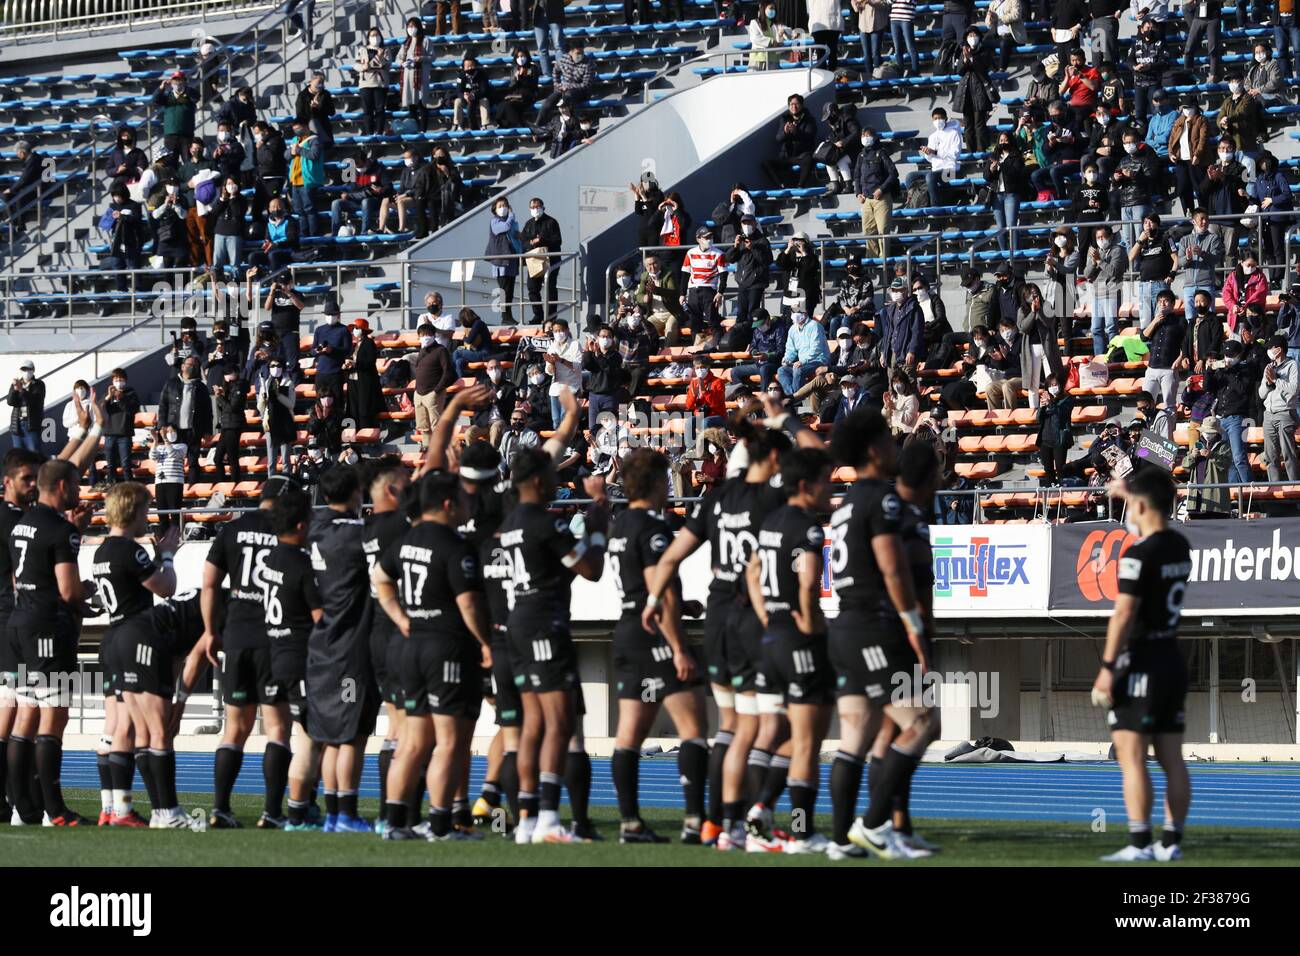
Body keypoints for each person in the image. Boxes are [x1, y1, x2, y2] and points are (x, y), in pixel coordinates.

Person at [825, 411, 936, 860]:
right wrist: (914, 626)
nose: (895, 448)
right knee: (923, 722)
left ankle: (839, 840)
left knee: (855, 737)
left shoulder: (846, 502)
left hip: (845, 625)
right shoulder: (882, 499)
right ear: (874, 451)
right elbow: (892, 568)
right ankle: (873, 824)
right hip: (874, 624)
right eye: (888, 442)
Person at [496, 447, 608, 843]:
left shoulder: (511, 522)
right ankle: (547, 818)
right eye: (551, 475)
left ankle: (528, 820)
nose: (556, 482)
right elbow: (592, 569)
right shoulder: (545, 522)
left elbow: (553, 572)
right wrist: (598, 518)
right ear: (537, 481)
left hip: (518, 625)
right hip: (545, 625)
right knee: (560, 723)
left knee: (532, 725)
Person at [373, 469, 491, 842]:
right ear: (448, 504)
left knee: (412, 742)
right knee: (449, 742)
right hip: (446, 647)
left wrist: (401, 618)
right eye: (463, 499)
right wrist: (485, 642)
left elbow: (379, 577)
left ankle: (395, 823)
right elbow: (468, 604)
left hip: (409, 648)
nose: (468, 504)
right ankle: (441, 824)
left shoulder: (406, 540)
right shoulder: (456, 546)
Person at [606, 448, 708, 843]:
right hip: (656, 635)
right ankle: (695, 822)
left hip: (627, 630)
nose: (668, 486)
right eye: (664, 479)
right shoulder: (653, 527)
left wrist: (683, 603)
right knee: (693, 728)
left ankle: (630, 822)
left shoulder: (619, 524)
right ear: (651, 483)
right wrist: (679, 647)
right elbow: (657, 589)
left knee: (629, 734)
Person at [1092, 469, 1192, 862]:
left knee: (1132, 757)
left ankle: (1138, 844)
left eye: (1131, 504)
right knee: (1172, 759)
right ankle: (1171, 842)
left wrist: (1107, 667)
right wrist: (1129, 490)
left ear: (1143, 506)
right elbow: (1152, 516)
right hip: (1172, 658)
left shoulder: (1138, 554)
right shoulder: (1180, 546)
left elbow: (1123, 614)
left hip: (1141, 661)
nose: (1128, 512)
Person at [741, 446, 835, 852]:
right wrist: (811, 625)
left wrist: (767, 614)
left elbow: (753, 572)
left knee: (778, 733)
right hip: (799, 640)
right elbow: (808, 582)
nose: (830, 488)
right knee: (806, 742)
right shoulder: (808, 528)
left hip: (771, 638)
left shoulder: (770, 522)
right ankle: (801, 831)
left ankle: (758, 809)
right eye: (825, 481)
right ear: (805, 485)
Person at [198, 476, 298, 828]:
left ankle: (220, 809)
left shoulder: (232, 529)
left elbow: (209, 583)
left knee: (234, 729)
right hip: (275, 636)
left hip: (237, 635)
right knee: (278, 728)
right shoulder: (288, 531)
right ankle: (271, 812)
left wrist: (210, 630)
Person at [7, 459, 93, 825]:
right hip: (47, 630)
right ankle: (54, 811)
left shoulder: (22, 523)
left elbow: (17, 579)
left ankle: (22, 808)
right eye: (76, 484)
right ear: (61, 486)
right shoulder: (61, 530)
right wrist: (88, 597)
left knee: (25, 716)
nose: (79, 490)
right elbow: (69, 591)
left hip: (19, 623)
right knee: (54, 716)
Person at [91, 483, 180, 827]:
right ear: (132, 510)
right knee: (131, 727)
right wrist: (168, 555)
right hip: (135, 638)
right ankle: (124, 810)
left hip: (111, 637)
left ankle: (110, 808)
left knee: (112, 727)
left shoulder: (101, 551)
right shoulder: (130, 550)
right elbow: (166, 588)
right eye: (145, 509)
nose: (148, 516)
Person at [1205, 340, 1260, 486]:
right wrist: (1209, 370)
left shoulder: (1246, 368)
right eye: (1226, 355)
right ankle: (1233, 492)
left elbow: (1243, 389)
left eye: (1231, 355)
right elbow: (1208, 388)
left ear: (1238, 355)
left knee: (1239, 458)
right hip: (1220, 418)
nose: (1227, 358)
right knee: (1227, 458)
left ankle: (1250, 490)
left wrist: (1229, 371)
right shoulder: (1221, 370)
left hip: (1237, 418)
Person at [156, 355, 211, 484]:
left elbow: (207, 411)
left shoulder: (201, 387)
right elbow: (163, 406)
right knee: (174, 461)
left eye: (194, 365)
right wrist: (163, 425)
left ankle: (192, 486)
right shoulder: (171, 383)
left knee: (193, 461)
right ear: (182, 366)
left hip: (194, 430)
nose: (192, 367)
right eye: (189, 364)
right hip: (174, 430)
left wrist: (207, 430)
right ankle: (176, 485)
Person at [854, 127, 898, 260]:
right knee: (868, 232)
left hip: (881, 198)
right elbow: (857, 176)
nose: (865, 138)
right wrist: (858, 193)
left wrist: (881, 189)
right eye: (863, 135)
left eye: (867, 135)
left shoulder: (881, 153)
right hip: (866, 199)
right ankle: (872, 260)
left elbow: (893, 173)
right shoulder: (861, 155)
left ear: (874, 137)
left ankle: (883, 260)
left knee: (883, 230)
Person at [1080, 225, 1124, 356]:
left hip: (1111, 292)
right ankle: (1099, 357)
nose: (1100, 240)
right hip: (1097, 294)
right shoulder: (1094, 252)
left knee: (1111, 327)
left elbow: (1113, 272)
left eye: (1103, 237)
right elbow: (1087, 274)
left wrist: (1099, 261)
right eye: (1098, 237)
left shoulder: (1117, 251)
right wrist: (1094, 262)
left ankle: (1113, 356)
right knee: (1096, 328)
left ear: (1110, 237)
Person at [1260, 335, 1299, 481]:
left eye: (1271, 348)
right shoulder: (1269, 367)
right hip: (1268, 414)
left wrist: (1276, 380)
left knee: (1289, 454)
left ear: (1279, 349)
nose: (1268, 351)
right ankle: (1273, 487)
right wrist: (1268, 383)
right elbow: (1261, 394)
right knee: (1270, 456)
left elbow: (1294, 389)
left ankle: (1295, 485)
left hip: (1285, 413)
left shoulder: (1292, 365)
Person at [681, 227, 728, 349]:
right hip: (693, 290)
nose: (709, 240)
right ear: (698, 239)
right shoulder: (690, 253)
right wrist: (682, 294)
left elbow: (724, 275)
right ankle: (697, 348)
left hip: (709, 290)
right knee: (694, 322)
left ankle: (716, 347)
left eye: (710, 237)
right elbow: (685, 274)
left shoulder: (718, 253)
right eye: (706, 237)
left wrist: (720, 292)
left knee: (713, 321)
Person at [1140, 289, 1187, 410]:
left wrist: (1180, 359)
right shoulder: (1155, 320)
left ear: (1173, 304)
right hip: (1152, 367)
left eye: (1166, 301)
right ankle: (1148, 423)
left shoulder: (1180, 321)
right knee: (1146, 403)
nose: (1162, 304)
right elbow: (1143, 337)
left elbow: (1186, 343)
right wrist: (1155, 321)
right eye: (1160, 301)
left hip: (1169, 368)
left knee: (1169, 405)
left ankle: (1169, 423)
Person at [1128, 213, 1175, 328]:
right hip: (1144, 285)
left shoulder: (1165, 238)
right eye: (1145, 222)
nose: (1148, 225)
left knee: (1161, 318)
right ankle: (1147, 339)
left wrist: (1172, 274)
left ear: (1157, 224)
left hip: (1160, 283)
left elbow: (1176, 259)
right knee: (1145, 321)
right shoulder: (1142, 241)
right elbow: (1130, 257)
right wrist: (1140, 241)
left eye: (1151, 222)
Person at [1174, 210, 1224, 321]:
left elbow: (1216, 259)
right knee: (1190, 318)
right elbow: (1180, 263)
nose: (1205, 222)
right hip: (1189, 286)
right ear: (1193, 221)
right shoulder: (1184, 240)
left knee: (1209, 318)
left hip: (1206, 284)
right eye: (1201, 219)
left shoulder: (1213, 238)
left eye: (1206, 219)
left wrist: (1202, 253)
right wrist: (1188, 258)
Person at [986, 132, 1029, 254]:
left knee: (1011, 225)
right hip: (997, 194)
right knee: (1000, 226)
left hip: (1011, 194)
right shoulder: (993, 156)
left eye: (1005, 140)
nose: (1003, 143)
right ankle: (1004, 253)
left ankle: (1014, 253)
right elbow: (986, 176)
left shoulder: (1016, 156)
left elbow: (1016, 173)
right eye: (1001, 140)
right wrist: (991, 170)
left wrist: (1001, 165)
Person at [521, 197, 562, 324]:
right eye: (533, 207)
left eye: (537, 207)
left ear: (543, 207)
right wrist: (532, 243)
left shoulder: (551, 222)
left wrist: (541, 240)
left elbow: (557, 240)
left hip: (551, 260)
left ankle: (551, 316)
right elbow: (523, 241)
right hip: (534, 261)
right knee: (532, 288)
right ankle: (538, 315)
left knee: (550, 288)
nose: (535, 209)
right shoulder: (528, 224)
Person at [952, 27, 993, 152]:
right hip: (966, 93)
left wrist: (971, 59)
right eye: (970, 35)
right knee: (968, 125)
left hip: (980, 92)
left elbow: (983, 68)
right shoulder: (963, 51)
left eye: (974, 35)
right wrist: (965, 60)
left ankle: (981, 151)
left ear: (979, 37)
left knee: (980, 124)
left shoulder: (985, 51)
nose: (972, 38)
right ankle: (971, 151)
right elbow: (959, 71)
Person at [763, 93, 817, 189]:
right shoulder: (784, 119)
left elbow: (810, 136)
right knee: (766, 163)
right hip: (787, 156)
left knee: (809, 159)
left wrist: (796, 132)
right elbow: (778, 138)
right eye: (791, 104)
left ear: (802, 105)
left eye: (796, 104)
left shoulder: (809, 119)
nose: (794, 107)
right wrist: (785, 132)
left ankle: (800, 186)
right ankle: (780, 185)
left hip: (801, 156)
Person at [537, 41, 592, 127]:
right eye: (578, 53)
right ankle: (538, 125)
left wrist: (569, 86)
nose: (580, 55)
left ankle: (569, 125)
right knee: (548, 102)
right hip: (563, 89)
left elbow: (586, 84)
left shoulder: (588, 63)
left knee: (567, 98)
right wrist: (557, 85)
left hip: (580, 91)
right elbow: (555, 72)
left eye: (582, 52)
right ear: (571, 52)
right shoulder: (563, 59)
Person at [777, 307, 830, 397]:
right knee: (781, 370)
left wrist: (802, 361)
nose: (793, 315)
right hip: (802, 363)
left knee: (798, 370)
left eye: (796, 312)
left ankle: (796, 398)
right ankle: (792, 395)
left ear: (805, 313)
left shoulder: (815, 326)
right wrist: (786, 359)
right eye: (792, 312)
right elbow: (791, 350)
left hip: (818, 361)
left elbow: (816, 349)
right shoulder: (792, 329)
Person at [285, 119, 324, 237]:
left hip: (307, 180)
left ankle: (313, 235)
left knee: (309, 209)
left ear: (306, 126)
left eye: (298, 128)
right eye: (294, 129)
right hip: (295, 180)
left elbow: (314, 155)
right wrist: (292, 152)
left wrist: (299, 150)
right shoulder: (295, 140)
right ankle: (304, 234)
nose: (297, 131)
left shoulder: (314, 140)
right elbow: (286, 155)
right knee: (299, 210)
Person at [486, 197, 522, 325]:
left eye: (505, 205)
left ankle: (508, 316)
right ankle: (505, 317)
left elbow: (515, 235)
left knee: (510, 291)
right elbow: (505, 227)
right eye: (500, 206)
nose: (503, 208)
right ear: (495, 209)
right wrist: (511, 215)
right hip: (501, 262)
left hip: (511, 260)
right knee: (504, 290)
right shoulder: (495, 221)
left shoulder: (511, 222)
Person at [1035, 374, 1074, 485]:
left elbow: (1061, 415)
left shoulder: (1067, 399)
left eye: (1055, 384)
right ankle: (1051, 491)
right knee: (1048, 470)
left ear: (1060, 385)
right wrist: (1042, 407)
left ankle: (1062, 490)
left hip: (1059, 439)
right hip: (1045, 439)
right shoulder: (1046, 399)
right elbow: (1038, 419)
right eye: (1050, 385)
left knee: (1060, 468)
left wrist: (1050, 404)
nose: (1053, 387)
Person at [345, 318, 384, 429]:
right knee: (353, 408)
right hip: (353, 380)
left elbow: (370, 361)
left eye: (356, 328)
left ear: (363, 330)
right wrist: (346, 365)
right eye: (353, 328)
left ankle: (366, 433)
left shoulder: (369, 343)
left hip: (365, 381)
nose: (354, 330)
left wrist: (355, 364)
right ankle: (355, 433)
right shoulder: (355, 344)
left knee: (364, 410)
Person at [919, 107, 962, 206]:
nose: (938, 121)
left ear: (946, 118)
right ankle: (915, 203)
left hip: (951, 171)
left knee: (930, 177)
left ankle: (935, 207)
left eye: (940, 118)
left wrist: (935, 152)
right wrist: (927, 153)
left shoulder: (954, 133)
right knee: (910, 177)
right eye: (935, 119)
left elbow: (955, 155)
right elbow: (930, 159)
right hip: (936, 170)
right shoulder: (932, 136)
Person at [311, 297, 353, 398]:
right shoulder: (319, 330)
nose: (330, 317)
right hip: (321, 371)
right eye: (328, 314)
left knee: (337, 400)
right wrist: (318, 351)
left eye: (333, 314)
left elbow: (348, 350)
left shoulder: (344, 330)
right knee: (320, 400)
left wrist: (332, 350)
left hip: (336, 371)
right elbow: (312, 350)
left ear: (338, 315)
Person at [879, 276, 923, 370]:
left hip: (906, 353)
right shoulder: (891, 309)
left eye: (899, 290)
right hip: (892, 352)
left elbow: (917, 332)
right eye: (893, 290)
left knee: (909, 377)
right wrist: (884, 352)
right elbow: (887, 333)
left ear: (906, 290)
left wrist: (912, 351)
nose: (895, 293)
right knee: (892, 378)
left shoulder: (914, 308)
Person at [398, 17, 433, 132]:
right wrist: (402, 62)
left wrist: (420, 58)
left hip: (420, 77)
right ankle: (415, 129)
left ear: (418, 27)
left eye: (413, 26)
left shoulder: (426, 41)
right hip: (408, 77)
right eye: (408, 26)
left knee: (422, 105)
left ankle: (423, 130)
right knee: (411, 106)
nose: (410, 29)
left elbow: (432, 57)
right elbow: (398, 58)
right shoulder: (405, 43)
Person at [356, 26, 390, 136]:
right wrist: (363, 67)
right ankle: (369, 133)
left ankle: (379, 132)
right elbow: (356, 65)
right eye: (372, 35)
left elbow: (386, 66)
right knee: (367, 110)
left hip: (380, 84)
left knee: (380, 110)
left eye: (377, 35)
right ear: (368, 37)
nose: (375, 37)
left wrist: (378, 57)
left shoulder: (385, 50)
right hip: (365, 84)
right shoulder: (362, 50)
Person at [7, 359, 44, 454]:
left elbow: (35, 401)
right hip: (17, 424)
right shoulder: (16, 383)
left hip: (31, 424)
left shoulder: (38, 384)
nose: (26, 372)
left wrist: (21, 390)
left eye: (28, 369)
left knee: (34, 454)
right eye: (24, 370)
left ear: (33, 370)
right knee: (19, 455)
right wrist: (15, 390)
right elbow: (10, 402)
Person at [498, 47, 540, 129]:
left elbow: (533, 84)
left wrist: (523, 77)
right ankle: (503, 124)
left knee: (510, 105)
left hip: (528, 94)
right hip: (516, 94)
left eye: (522, 56)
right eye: (518, 57)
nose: (520, 59)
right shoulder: (514, 69)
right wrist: (516, 79)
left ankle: (517, 124)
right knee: (502, 105)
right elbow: (511, 86)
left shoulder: (532, 68)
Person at [890, 0, 921, 75]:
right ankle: (900, 72)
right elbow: (889, 2)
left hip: (907, 18)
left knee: (910, 47)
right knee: (897, 48)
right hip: (894, 18)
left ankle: (915, 71)